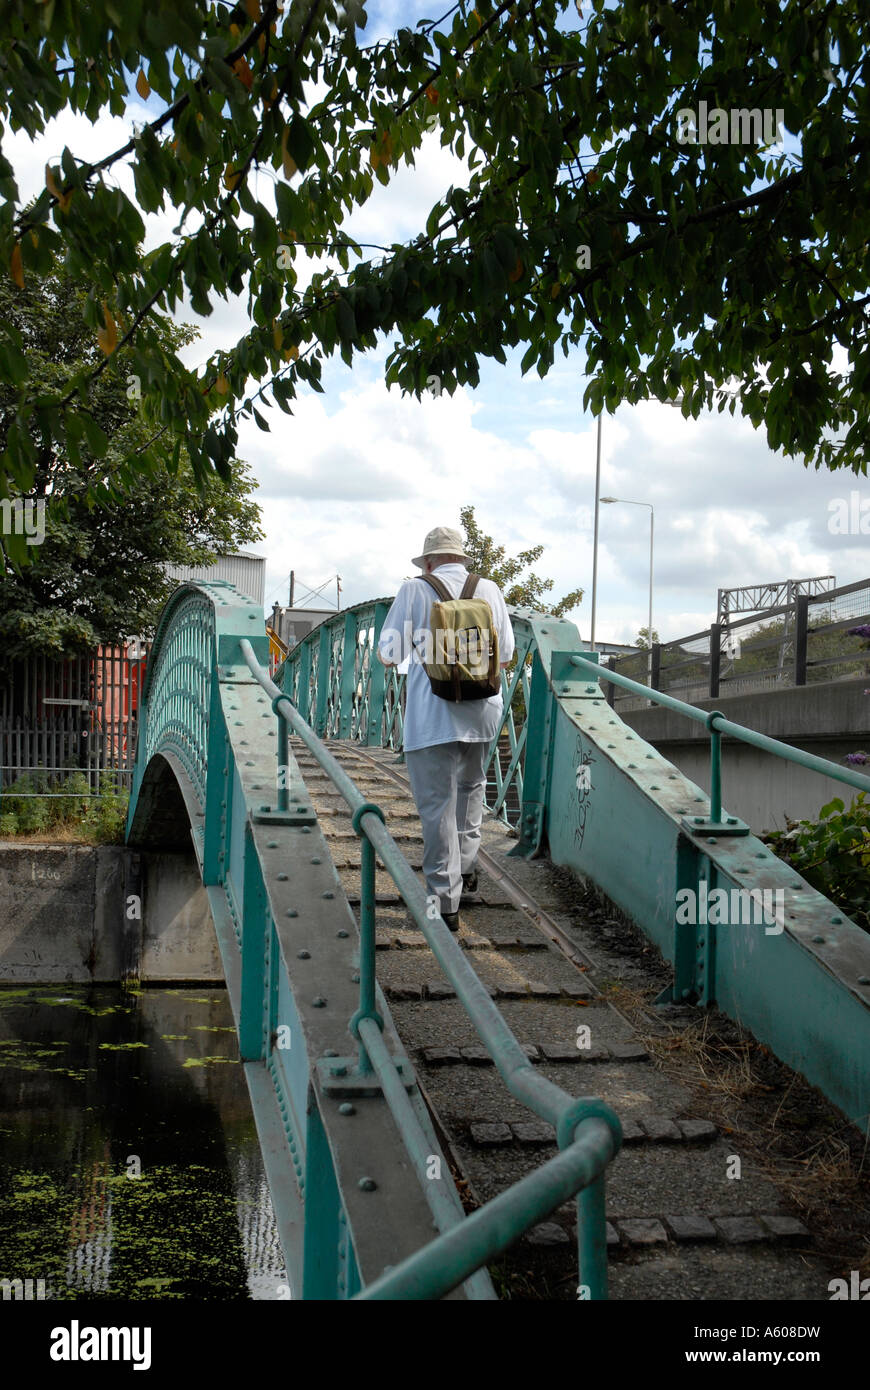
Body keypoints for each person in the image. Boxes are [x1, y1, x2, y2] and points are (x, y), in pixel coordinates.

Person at [377, 526, 514, 931]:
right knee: (471, 791)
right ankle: (468, 865)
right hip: (483, 711)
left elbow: (389, 654)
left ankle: (443, 901)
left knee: (436, 805)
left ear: (430, 561)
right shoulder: (488, 589)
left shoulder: (415, 590)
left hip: (432, 714)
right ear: (461, 559)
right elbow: (505, 655)